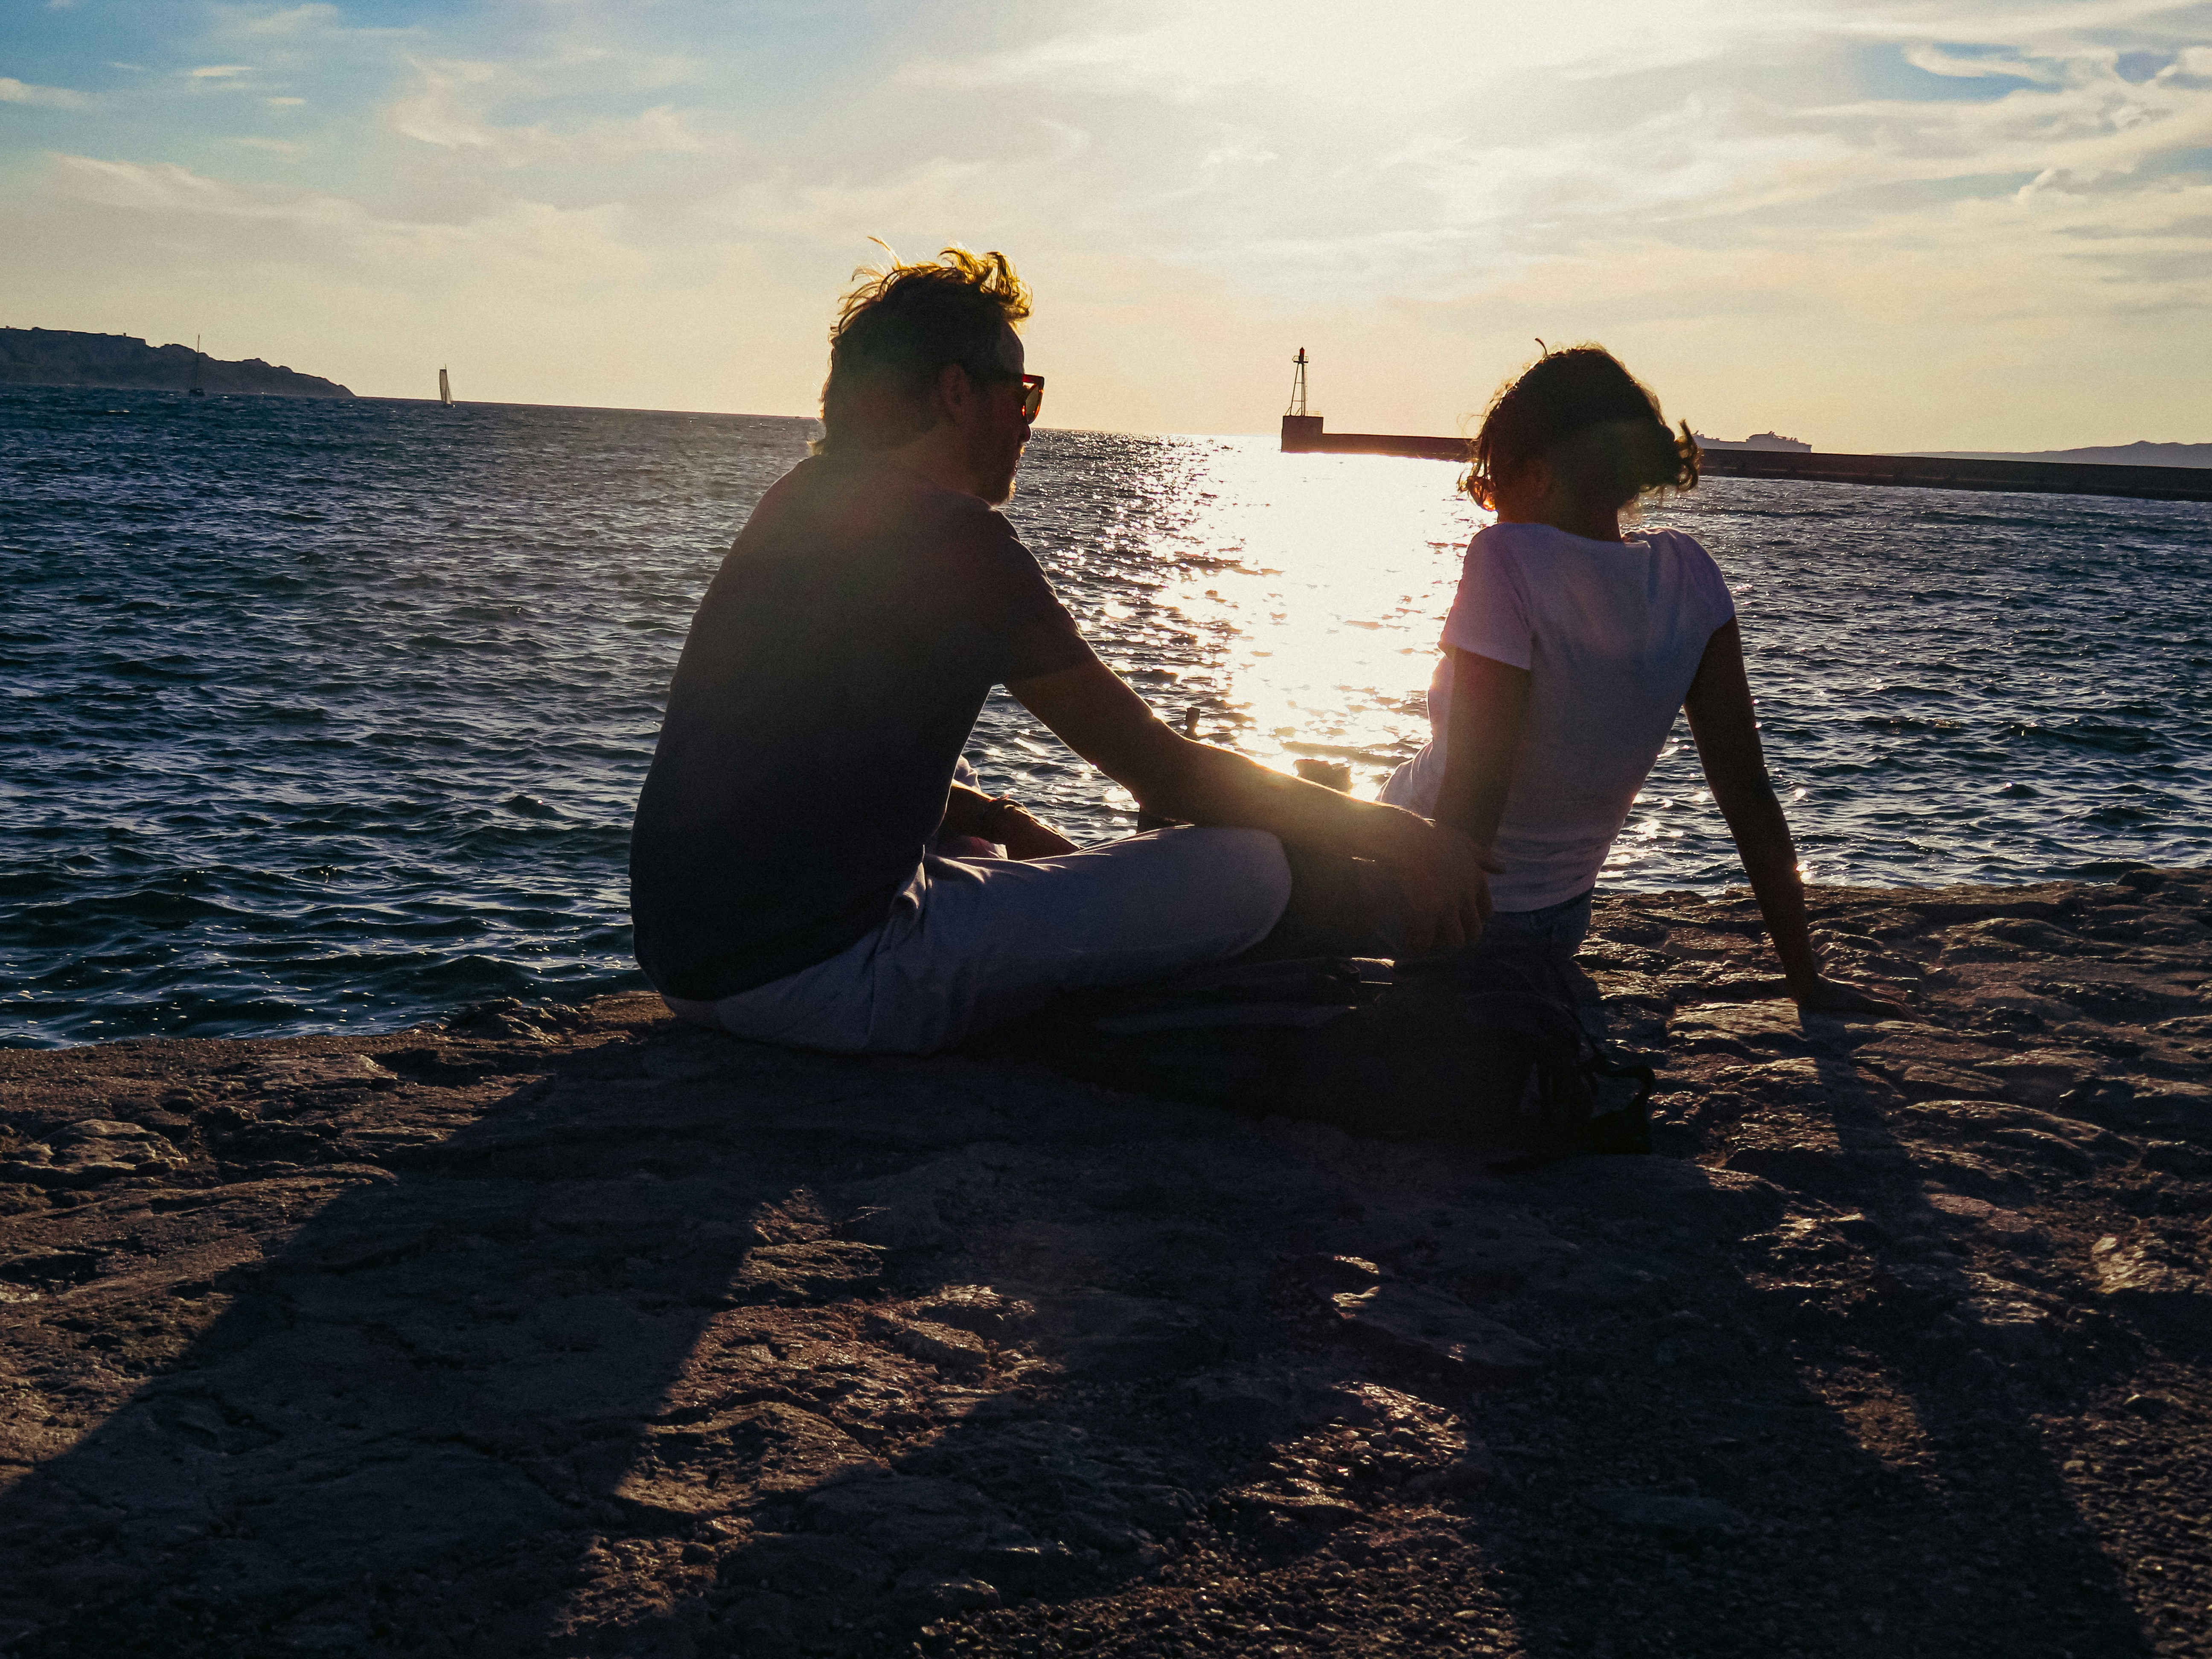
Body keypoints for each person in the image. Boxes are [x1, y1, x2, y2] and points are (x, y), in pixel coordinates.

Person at [629, 248, 1490, 1055]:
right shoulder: (961, 542)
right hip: (830, 982)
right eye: (1025, 393)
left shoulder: (798, 504)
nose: (1031, 422)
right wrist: (1403, 837)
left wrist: (998, 820)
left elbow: (800, 759)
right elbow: (1164, 774)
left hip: (692, 971)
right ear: (959, 392)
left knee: (983, 858)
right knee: (1255, 867)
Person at [1379, 344, 1892, 1016]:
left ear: (1536, 474)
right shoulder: (1690, 574)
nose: (1489, 502)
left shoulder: (1507, 557)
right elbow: (1748, 795)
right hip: (1560, 923)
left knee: (1241, 850)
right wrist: (1807, 982)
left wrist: (1430, 961)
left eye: (1496, 477)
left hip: (1439, 901)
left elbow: (1478, 788)